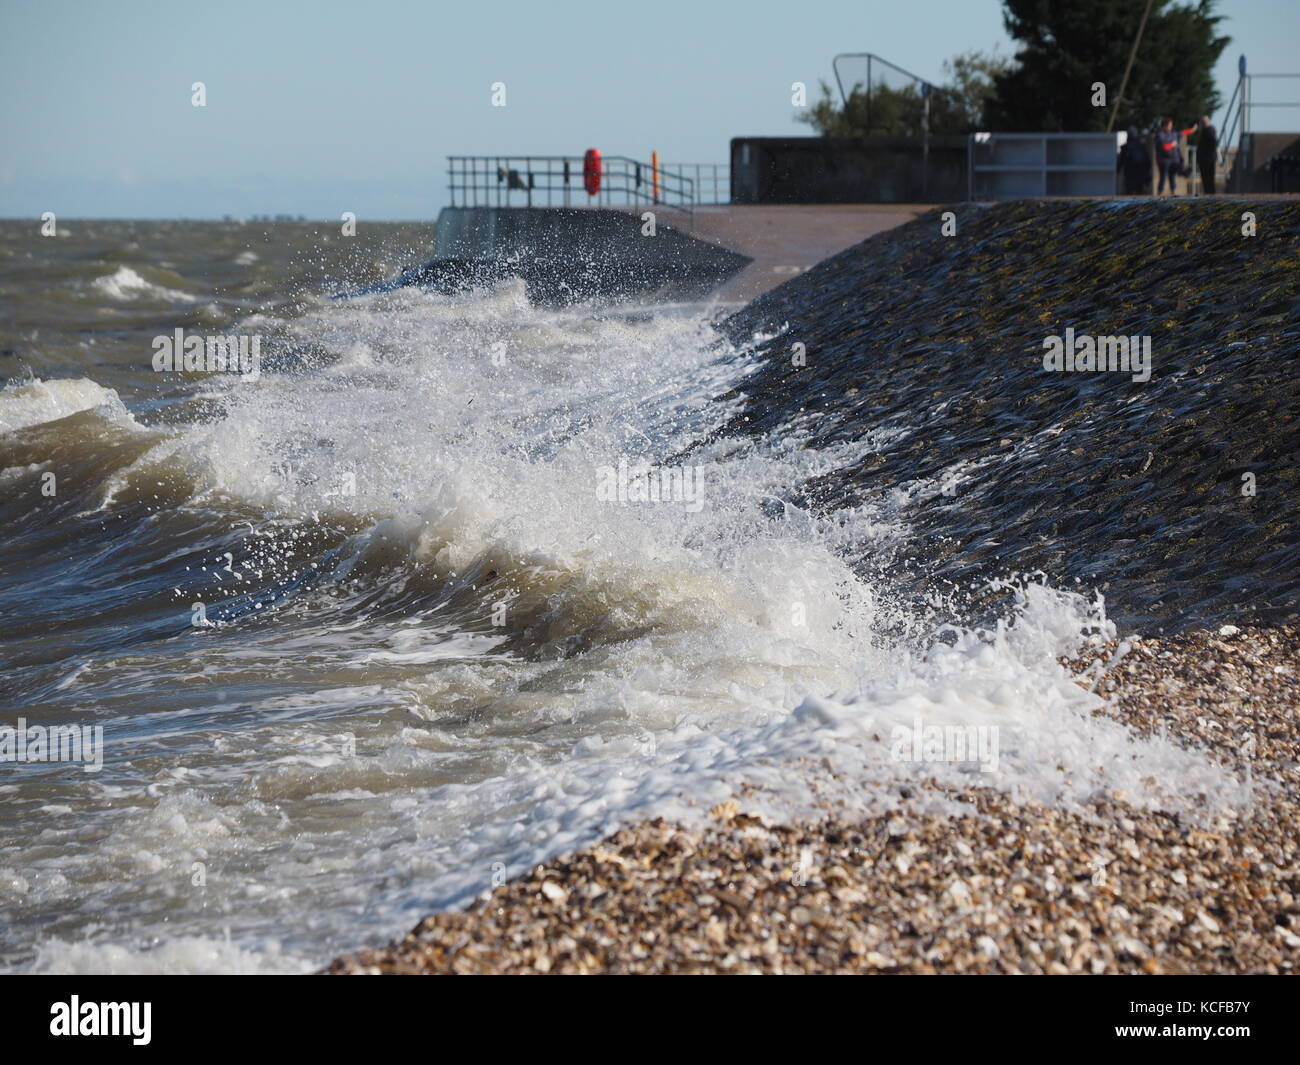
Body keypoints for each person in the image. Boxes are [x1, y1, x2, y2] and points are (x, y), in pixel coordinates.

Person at [1154, 117, 1197, 195]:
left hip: (1174, 159)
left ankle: (1173, 191)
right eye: (1169, 125)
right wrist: (1172, 144)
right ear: (1164, 126)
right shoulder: (1160, 135)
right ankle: (1159, 193)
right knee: (1163, 177)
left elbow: (1183, 132)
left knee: (1172, 176)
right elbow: (1164, 147)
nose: (1170, 126)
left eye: (1171, 125)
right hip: (1164, 160)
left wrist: (1192, 130)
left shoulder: (1174, 134)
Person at [1117, 126, 1151, 195]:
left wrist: (1118, 170)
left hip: (1129, 173)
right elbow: (1147, 160)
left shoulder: (1126, 147)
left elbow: (1121, 161)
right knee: (1140, 192)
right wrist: (1147, 171)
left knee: (1129, 192)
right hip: (1140, 172)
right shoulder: (1141, 145)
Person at [1196, 115, 1218, 195]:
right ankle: (1209, 193)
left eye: (1203, 122)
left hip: (1207, 159)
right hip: (1206, 158)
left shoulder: (1209, 130)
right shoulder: (1208, 130)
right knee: (1207, 178)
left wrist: (1209, 155)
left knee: (1208, 178)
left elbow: (1213, 143)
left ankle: (1210, 194)